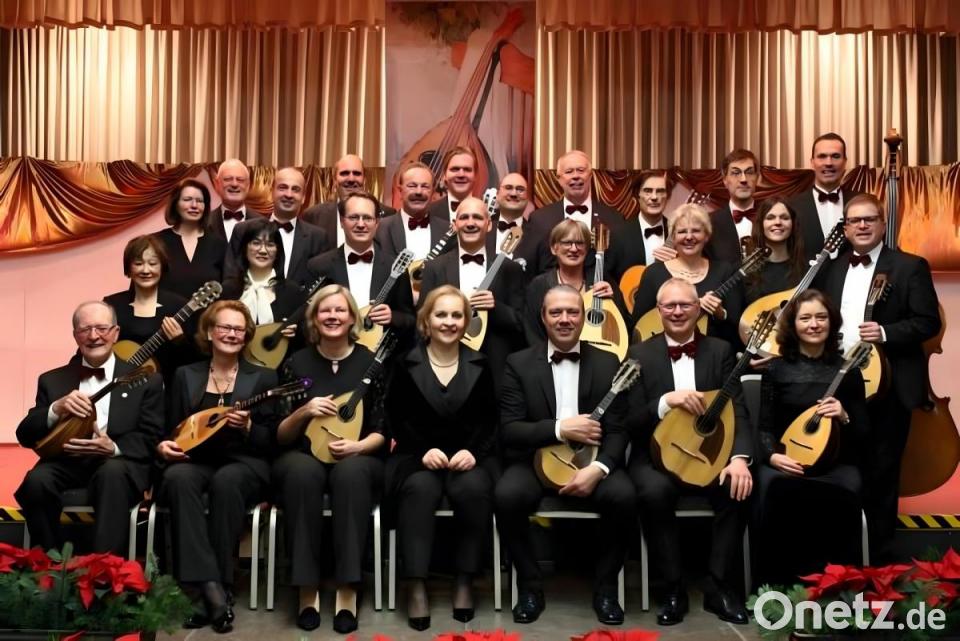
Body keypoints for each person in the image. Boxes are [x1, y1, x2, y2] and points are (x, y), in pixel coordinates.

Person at [497, 284, 634, 625]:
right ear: (543, 318)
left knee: (625, 496)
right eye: (555, 312)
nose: (564, 319)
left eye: (572, 312)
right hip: (534, 460)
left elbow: (619, 430)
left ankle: (605, 590)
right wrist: (560, 429)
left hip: (591, 463)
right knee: (506, 495)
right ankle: (530, 587)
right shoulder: (518, 363)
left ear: (584, 317)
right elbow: (510, 430)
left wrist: (599, 469)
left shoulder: (607, 362)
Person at [814, 193, 941, 561]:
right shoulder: (833, 269)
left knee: (882, 476)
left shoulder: (909, 266)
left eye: (870, 219)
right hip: (841, 383)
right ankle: (842, 561)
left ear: (883, 225)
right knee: (842, 472)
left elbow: (927, 322)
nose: (863, 226)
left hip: (890, 387)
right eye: (855, 221)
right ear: (846, 228)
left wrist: (885, 333)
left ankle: (880, 567)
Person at [626, 279, 753, 626]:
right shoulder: (639, 354)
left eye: (685, 305)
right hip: (652, 458)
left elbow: (738, 409)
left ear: (698, 308)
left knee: (736, 488)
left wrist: (740, 459)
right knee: (655, 492)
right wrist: (667, 402)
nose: (678, 312)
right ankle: (672, 588)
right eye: (669, 306)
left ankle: (718, 586)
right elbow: (630, 420)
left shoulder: (720, 351)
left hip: (710, 455)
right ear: (658, 310)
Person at [155, 300, 278, 634]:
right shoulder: (185, 375)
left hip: (246, 463)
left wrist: (250, 428)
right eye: (224, 327)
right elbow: (171, 428)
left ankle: (211, 590)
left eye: (239, 329)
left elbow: (273, 440)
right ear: (209, 332)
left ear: (247, 336)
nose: (231, 334)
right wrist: (163, 446)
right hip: (195, 462)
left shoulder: (263, 376)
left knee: (228, 481)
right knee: (178, 479)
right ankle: (211, 587)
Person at [272, 285, 388, 634]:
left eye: (340, 310)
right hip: (303, 455)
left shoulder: (372, 362)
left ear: (353, 317)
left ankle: (348, 589)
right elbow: (281, 435)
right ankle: (307, 590)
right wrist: (304, 411)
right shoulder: (296, 364)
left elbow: (384, 428)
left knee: (351, 475)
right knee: (300, 472)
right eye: (325, 311)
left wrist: (359, 446)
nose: (333, 317)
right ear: (314, 318)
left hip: (359, 456)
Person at [385, 285, 498, 631]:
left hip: (468, 456)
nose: (449, 322)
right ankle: (416, 584)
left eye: (456, 315)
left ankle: (464, 579)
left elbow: (491, 420)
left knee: (474, 489)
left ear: (466, 322)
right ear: (426, 321)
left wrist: (472, 452)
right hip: (415, 456)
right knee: (420, 490)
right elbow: (395, 417)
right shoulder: (405, 363)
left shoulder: (481, 362)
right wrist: (423, 451)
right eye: (441, 314)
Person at [15, 301, 164, 555]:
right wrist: (55, 409)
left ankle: (104, 570)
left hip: (118, 462)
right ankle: (51, 565)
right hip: (67, 462)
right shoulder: (52, 379)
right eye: (85, 330)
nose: (94, 336)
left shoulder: (145, 379)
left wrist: (113, 447)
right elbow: (25, 434)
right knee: (36, 482)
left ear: (116, 333)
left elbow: (152, 437)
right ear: (75, 336)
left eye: (102, 328)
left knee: (112, 474)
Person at [754, 290, 869, 585]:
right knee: (775, 488)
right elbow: (764, 426)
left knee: (848, 489)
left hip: (835, 464)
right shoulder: (776, 369)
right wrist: (773, 456)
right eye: (805, 318)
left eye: (821, 317)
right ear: (793, 326)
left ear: (832, 322)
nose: (814, 324)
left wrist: (843, 415)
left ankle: (837, 588)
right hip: (788, 460)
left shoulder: (849, 369)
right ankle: (781, 589)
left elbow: (864, 432)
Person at [419, 196, 525, 387]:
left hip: (496, 370)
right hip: (445, 366)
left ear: (489, 224)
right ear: (454, 224)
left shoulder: (510, 269)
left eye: (477, 217)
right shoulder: (435, 268)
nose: (470, 223)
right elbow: (423, 322)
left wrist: (496, 307)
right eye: (464, 217)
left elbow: (521, 324)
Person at [306, 191, 415, 345]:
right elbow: (308, 319)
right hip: (329, 356)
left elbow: (410, 319)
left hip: (379, 362)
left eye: (368, 218)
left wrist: (393, 317)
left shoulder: (394, 267)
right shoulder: (318, 266)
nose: (361, 224)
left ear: (377, 223)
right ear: (342, 221)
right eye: (354, 217)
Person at [630, 204, 743, 342]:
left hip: (712, 358)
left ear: (707, 235)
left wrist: (721, 313)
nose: (689, 237)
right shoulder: (654, 273)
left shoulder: (724, 271)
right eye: (682, 231)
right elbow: (637, 325)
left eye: (696, 231)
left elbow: (737, 328)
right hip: (662, 357)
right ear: (673, 237)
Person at [515, 150, 626, 276]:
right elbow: (531, 269)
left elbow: (621, 270)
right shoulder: (539, 219)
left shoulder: (614, 219)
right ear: (559, 179)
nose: (575, 176)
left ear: (590, 176)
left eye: (581, 170)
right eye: (569, 172)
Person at [103, 235, 189, 388]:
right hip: (118, 391)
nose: (145, 270)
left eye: (153, 263)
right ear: (128, 268)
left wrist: (180, 341)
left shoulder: (179, 306)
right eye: (138, 263)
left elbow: (195, 359)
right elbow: (95, 345)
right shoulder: (112, 305)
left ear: (162, 267)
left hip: (167, 390)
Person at [523, 219, 623, 345]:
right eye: (567, 243)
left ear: (587, 249)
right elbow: (532, 332)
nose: (574, 249)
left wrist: (614, 300)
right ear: (554, 248)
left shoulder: (603, 281)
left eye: (580, 243)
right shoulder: (539, 285)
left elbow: (623, 325)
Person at [228, 167, 329, 287]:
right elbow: (230, 276)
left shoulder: (318, 237)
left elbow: (320, 284)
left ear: (303, 198)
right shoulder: (243, 230)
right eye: (283, 187)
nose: (289, 194)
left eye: (296, 190)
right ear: (272, 192)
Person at [789, 133, 861, 261]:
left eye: (835, 156)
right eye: (822, 156)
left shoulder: (861, 203)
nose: (829, 163)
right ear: (812, 163)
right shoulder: (791, 206)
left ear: (845, 162)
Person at [152, 179, 227, 299]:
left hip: (208, 317)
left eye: (200, 201)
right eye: (187, 200)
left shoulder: (219, 244)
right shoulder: (155, 242)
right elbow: (140, 291)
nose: (194, 205)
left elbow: (226, 293)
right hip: (165, 317)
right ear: (175, 204)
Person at [301, 154, 397, 245]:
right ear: (335, 180)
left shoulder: (388, 215)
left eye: (357, 173)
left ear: (364, 179)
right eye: (344, 173)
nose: (351, 179)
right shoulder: (313, 215)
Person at [604, 170, 673, 286]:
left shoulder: (678, 233)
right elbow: (607, 277)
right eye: (647, 191)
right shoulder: (618, 235)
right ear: (637, 195)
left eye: (660, 191)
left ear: (668, 196)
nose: (654, 197)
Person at [377, 162, 453, 262]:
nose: (418, 192)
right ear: (400, 191)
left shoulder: (447, 230)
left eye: (425, 186)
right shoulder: (381, 228)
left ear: (433, 192)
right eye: (412, 186)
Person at [744, 197, 807, 305]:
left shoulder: (806, 269)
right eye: (770, 218)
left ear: (793, 225)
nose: (778, 222)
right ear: (761, 225)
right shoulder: (745, 271)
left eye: (784, 218)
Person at [705, 149, 761, 264]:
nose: (743, 179)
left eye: (749, 172)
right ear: (725, 180)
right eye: (736, 173)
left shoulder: (772, 218)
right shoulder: (708, 223)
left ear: (758, 178)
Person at [208, 159, 262, 242]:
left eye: (240, 180)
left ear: (248, 185)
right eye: (228, 179)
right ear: (217, 184)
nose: (234, 184)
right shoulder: (204, 223)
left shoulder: (262, 223)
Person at [426, 147, 479, 222]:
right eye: (455, 169)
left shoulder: (489, 212)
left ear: (475, 175)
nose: (461, 174)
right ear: (444, 175)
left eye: (467, 169)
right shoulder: (427, 213)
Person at [492, 172, 529, 255]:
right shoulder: (482, 228)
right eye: (508, 188)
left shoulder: (538, 236)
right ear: (497, 195)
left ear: (527, 197)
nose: (514, 194)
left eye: (520, 189)